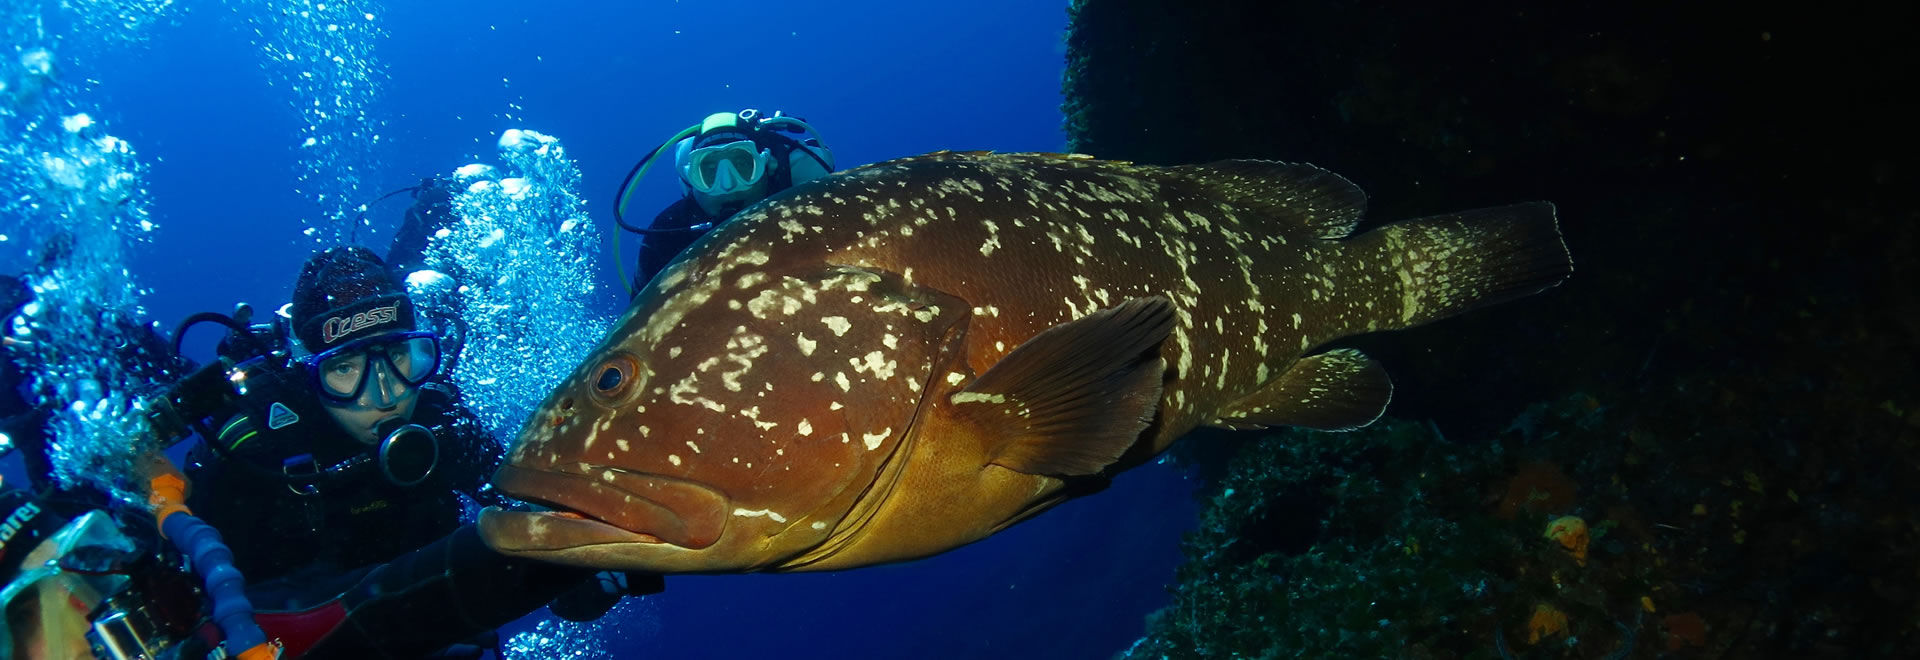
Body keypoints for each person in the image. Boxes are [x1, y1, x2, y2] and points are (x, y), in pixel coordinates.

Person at [177, 246, 641, 658]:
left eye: (397, 358)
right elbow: (205, 604)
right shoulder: (256, 446)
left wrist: (572, 575)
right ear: (308, 375)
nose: (383, 394)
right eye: (345, 368)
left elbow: (520, 507)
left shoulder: (440, 417)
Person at [612, 108, 838, 293]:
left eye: (742, 164)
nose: (728, 185)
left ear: (765, 166)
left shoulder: (809, 206)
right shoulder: (667, 235)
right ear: (692, 177)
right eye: (708, 170)